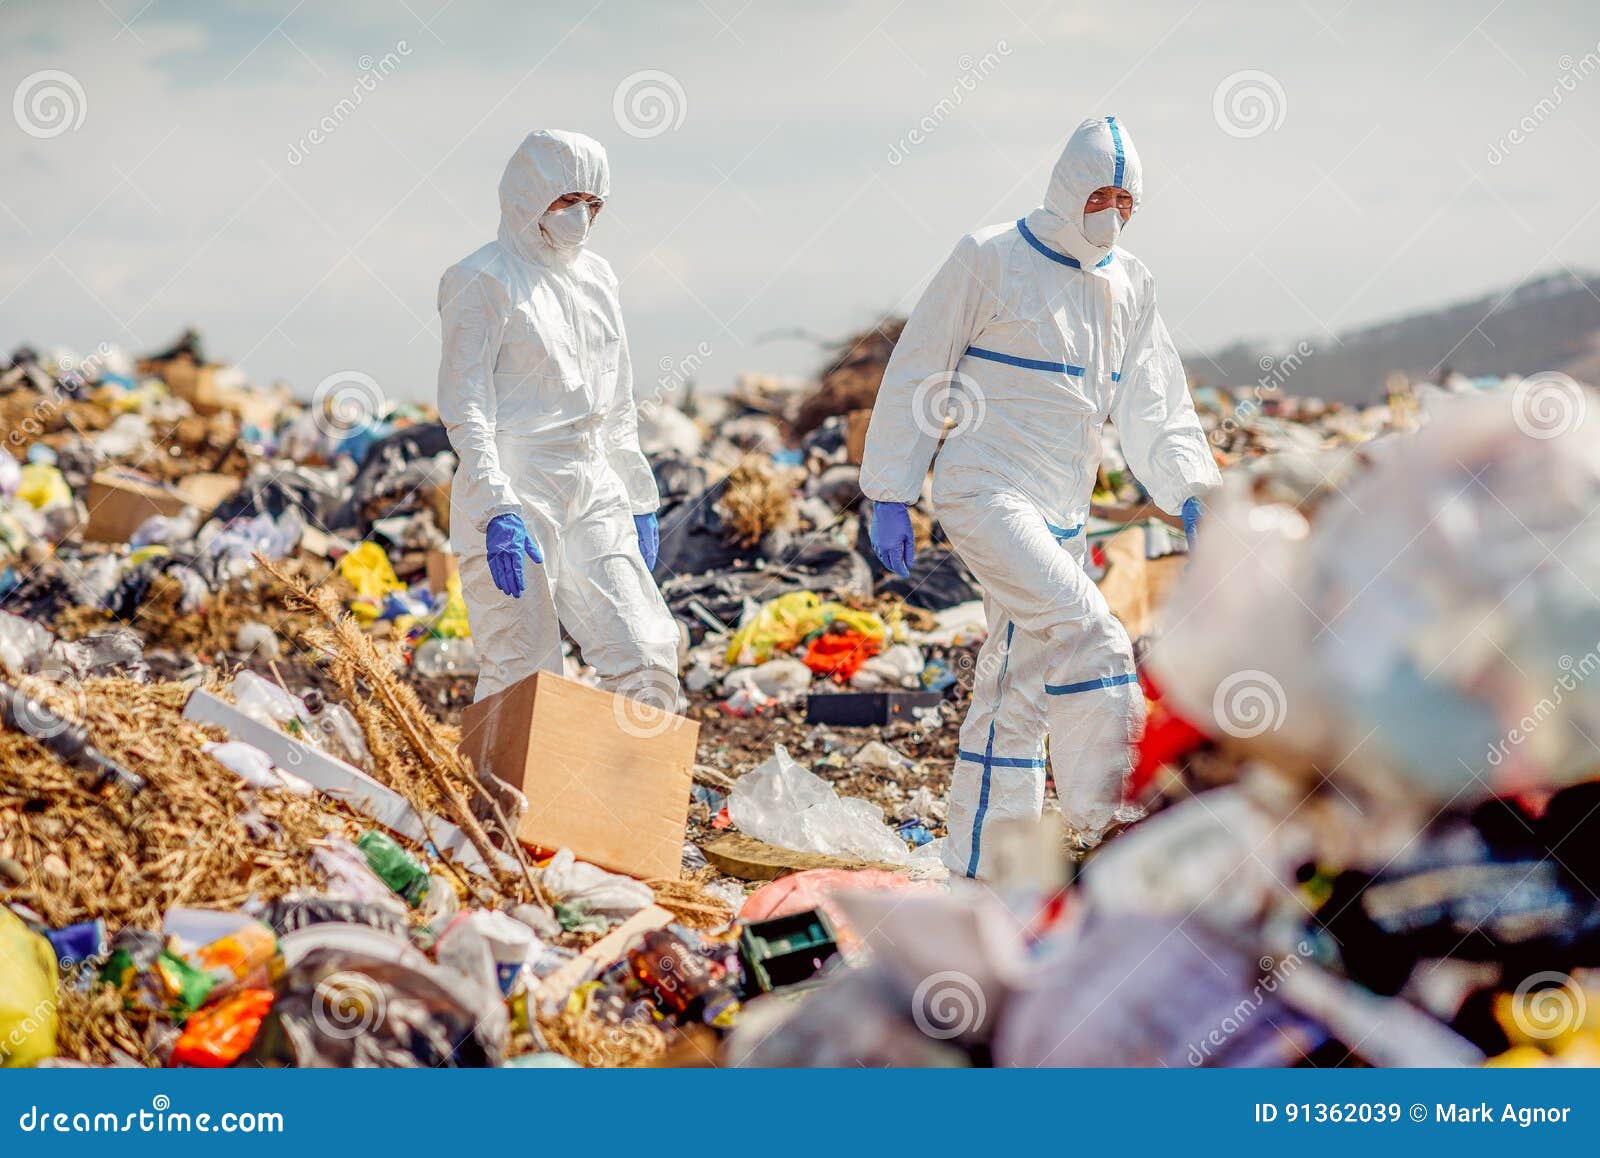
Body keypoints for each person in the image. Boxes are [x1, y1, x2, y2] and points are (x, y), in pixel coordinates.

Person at [860, 116, 1220, 878]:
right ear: (1067, 188)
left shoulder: (1130, 285)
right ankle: (1114, 820)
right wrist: (891, 487)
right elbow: (922, 363)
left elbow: (1157, 401)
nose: (1112, 213)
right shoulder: (991, 257)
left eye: (1126, 201)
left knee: (1014, 690)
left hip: (1063, 512)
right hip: (986, 491)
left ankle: (986, 865)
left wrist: (1191, 488)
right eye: (1100, 195)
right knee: (1093, 633)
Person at [436, 128, 679, 710]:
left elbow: (616, 398)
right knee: (523, 668)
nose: (581, 216)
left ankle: (632, 773)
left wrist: (637, 494)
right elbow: (467, 405)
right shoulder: (481, 279)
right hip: (518, 484)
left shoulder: (598, 277)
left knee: (646, 652)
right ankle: (501, 774)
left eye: (593, 204)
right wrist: (496, 505)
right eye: (568, 200)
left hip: (594, 482)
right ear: (528, 194)